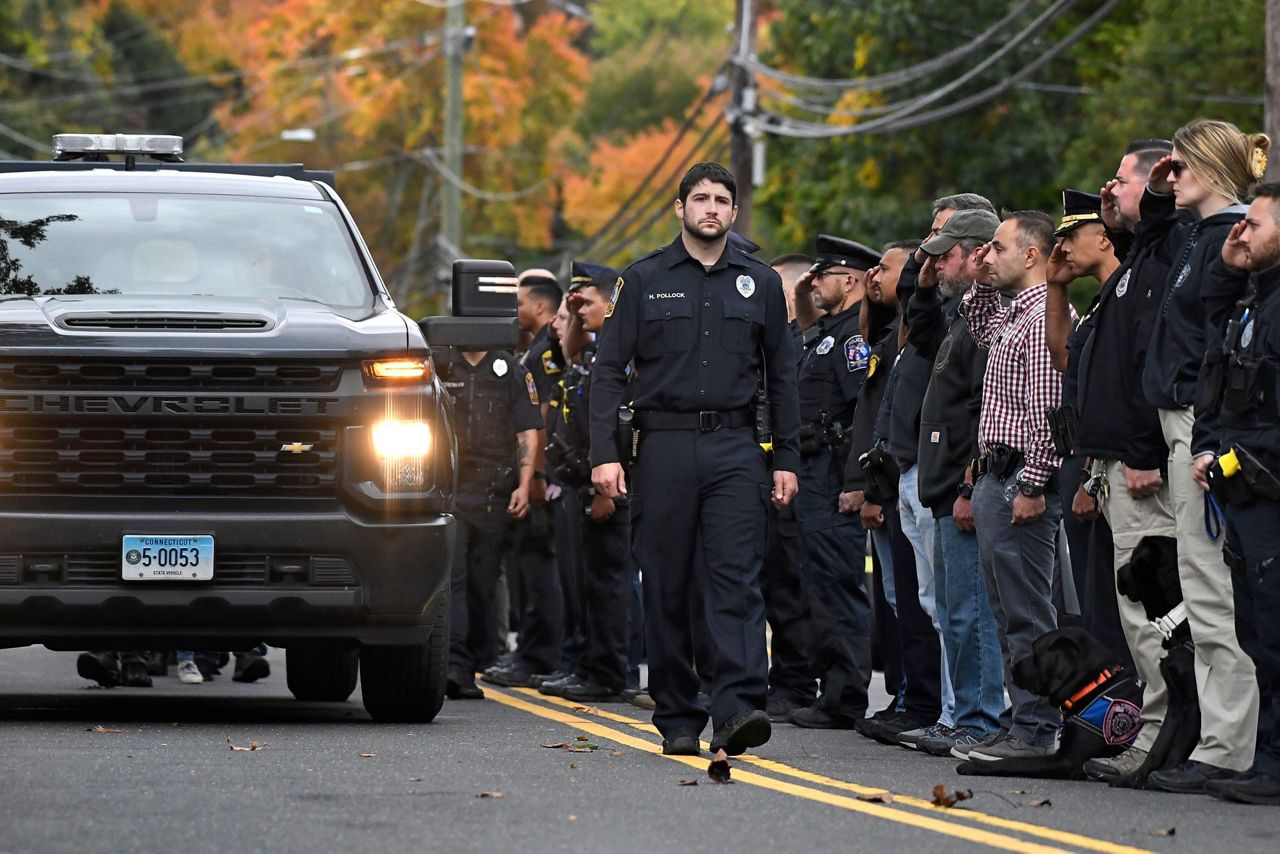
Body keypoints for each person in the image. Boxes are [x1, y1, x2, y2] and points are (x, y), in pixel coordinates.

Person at [590, 162, 800, 757]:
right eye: (700, 198)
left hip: (736, 448)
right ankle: (679, 714)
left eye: (722, 200)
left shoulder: (759, 284)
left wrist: (786, 456)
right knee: (667, 583)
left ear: (734, 213)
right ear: (679, 209)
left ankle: (737, 708)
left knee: (736, 580)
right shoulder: (644, 279)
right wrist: (604, 455)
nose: (711, 208)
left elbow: (781, 377)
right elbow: (608, 372)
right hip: (663, 447)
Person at [1140, 120, 1270, 794]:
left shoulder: (1228, 239)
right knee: (1199, 584)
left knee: (1212, 590)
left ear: (1216, 167)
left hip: (1199, 421)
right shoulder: (1198, 235)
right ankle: (1221, 737)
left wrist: (1208, 428)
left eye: (1183, 160)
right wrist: (1162, 196)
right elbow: (1150, 244)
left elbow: (1221, 338)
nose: (1171, 168)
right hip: (1176, 421)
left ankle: (1227, 745)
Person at [881, 193, 998, 747]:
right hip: (941, 481)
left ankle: (979, 721)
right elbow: (923, 337)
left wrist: (970, 481)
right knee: (951, 611)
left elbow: (988, 408)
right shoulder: (957, 314)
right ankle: (961, 716)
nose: (935, 265)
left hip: (966, 481)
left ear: (975, 255)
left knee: (974, 613)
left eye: (943, 256)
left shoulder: (992, 315)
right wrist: (925, 289)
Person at [957, 210, 1069, 762]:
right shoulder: (1014, 317)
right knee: (1006, 611)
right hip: (995, 477)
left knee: (1027, 611)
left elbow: (1046, 410)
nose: (987, 254)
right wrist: (979, 277)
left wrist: (1033, 482)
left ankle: (1038, 729)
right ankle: (1019, 718)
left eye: (997, 247)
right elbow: (979, 324)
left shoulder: (1047, 314)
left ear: (1031, 255)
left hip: (1020, 477)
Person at [1195, 181, 1280, 805]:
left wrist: (1234, 458)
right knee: (1256, 632)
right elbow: (1218, 374)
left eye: (1252, 224)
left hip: (1268, 490)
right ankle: (1267, 760)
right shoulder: (1254, 299)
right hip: (1243, 492)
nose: (1238, 233)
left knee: (1275, 631)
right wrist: (1214, 452)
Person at [785, 236, 880, 730]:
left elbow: (860, 411)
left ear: (849, 280)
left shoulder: (852, 339)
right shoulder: (828, 331)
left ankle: (844, 697)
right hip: (813, 474)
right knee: (817, 589)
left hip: (832, 476)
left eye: (822, 275)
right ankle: (831, 691)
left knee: (837, 589)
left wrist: (855, 479)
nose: (813, 283)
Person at [538, 262, 633, 703]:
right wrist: (576, 316)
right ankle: (592, 666)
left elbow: (616, 425)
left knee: (609, 585)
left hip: (610, 489)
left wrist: (604, 492)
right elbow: (571, 353)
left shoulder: (622, 354)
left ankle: (611, 672)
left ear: (611, 306)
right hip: (582, 481)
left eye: (588, 303)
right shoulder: (595, 352)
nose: (579, 311)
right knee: (589, 584)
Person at [437, 342, 544, 700]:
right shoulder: (440, 362)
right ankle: (455, 664)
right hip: (449, 487)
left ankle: (478, 658)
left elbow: (527, 430)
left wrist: (525, 485)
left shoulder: (510, 369)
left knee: (483, 584)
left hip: (492, 491)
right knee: (453, 577)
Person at [484, 271, 566, 687]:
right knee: (531, 570)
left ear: (539, 307)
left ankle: (538, 654)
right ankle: (531, 651)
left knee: (540, 569)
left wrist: (535, 472)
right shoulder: (531, 350)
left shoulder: (547, 353)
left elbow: (546, 416)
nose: (513, 313)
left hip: (545, 476)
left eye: (518, 304)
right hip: (539, 474)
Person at [762, 252, 818, 721]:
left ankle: (796, 680)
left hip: (804, 479)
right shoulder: (766, 343)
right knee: (770, 582)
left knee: (791, 586)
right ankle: (782, 678)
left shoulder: (805, 342)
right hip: (763, 477)